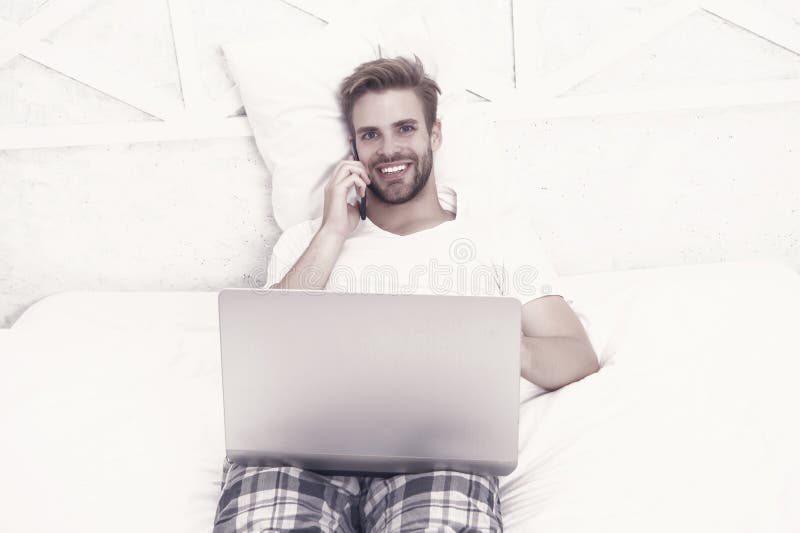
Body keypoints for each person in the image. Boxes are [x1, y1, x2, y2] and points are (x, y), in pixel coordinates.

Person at [213, 55, 600, 533]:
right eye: (370, 135)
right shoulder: (307, 241)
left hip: (441, 450)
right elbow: (262, 349)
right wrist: (334, 234)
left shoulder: (496, 235)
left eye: (404, 128)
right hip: (298, 452)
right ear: (353, 148)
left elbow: (577, 356)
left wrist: (488, 344)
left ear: (434, 135)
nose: (388, 148)